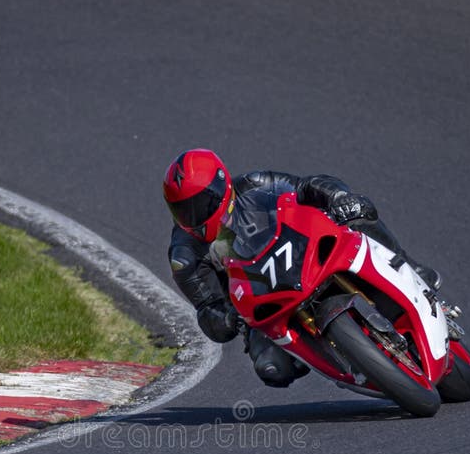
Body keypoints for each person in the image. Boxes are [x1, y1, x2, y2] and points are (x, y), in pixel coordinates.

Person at [163, 148, 443, 388]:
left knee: (354, 215)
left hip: (302, 258)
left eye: (199, 204)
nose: (193, 215)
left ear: (220, 188)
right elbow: (208, 309)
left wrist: (338, 197)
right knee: (272, 369)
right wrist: (225, 319)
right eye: (182, 209)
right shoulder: (184, 257)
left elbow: (308, 187)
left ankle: (409, 266)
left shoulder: (256, 184)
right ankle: (353, 361)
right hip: (260, 306)